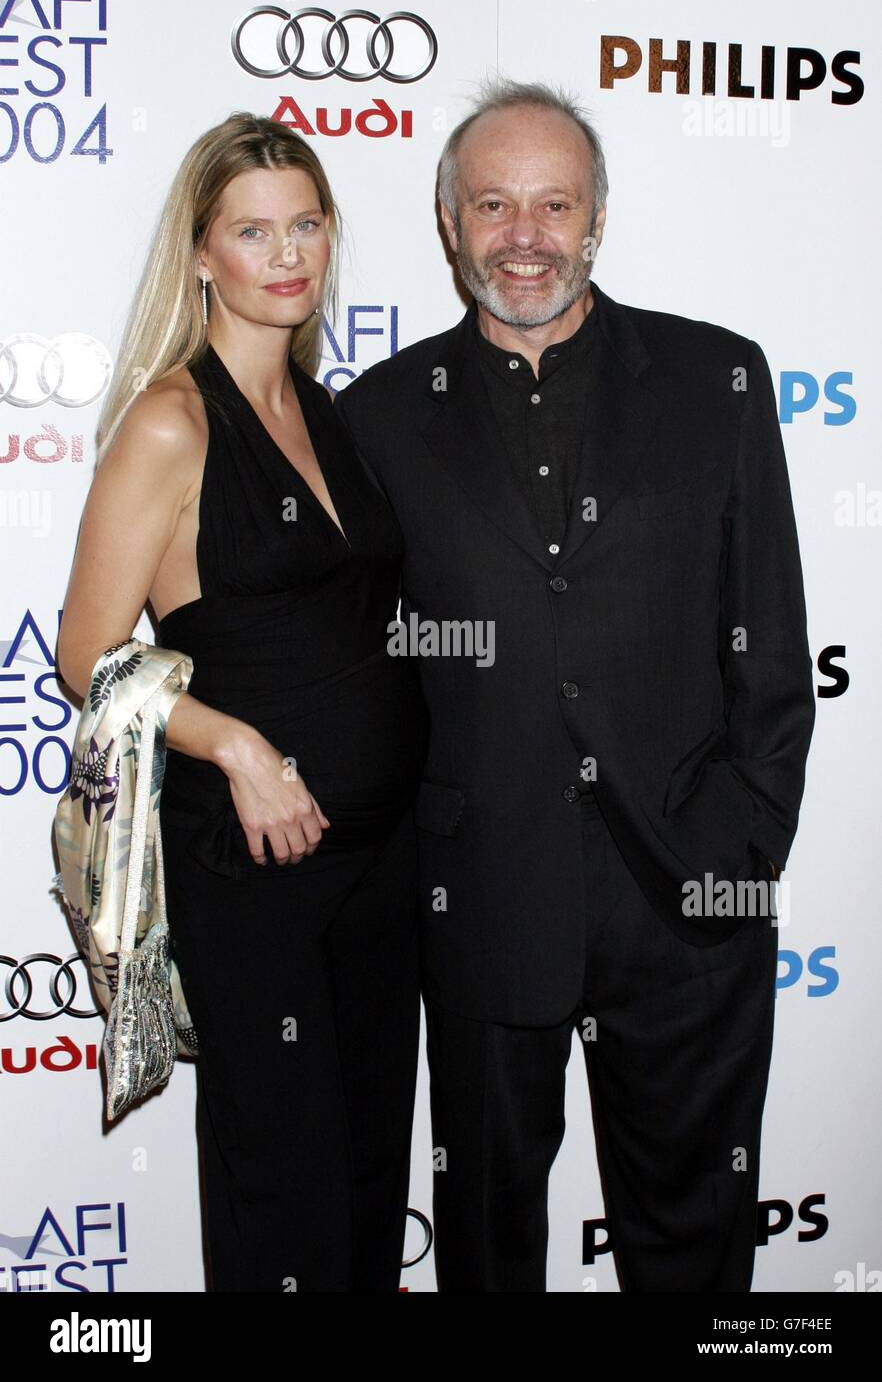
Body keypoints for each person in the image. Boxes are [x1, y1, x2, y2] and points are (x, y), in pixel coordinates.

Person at [332, 78, 816, 1292]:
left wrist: (744, 847)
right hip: (485, 898)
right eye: (493, 203)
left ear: (598, 217)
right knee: (488, 1249)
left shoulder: (721, 383)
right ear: (448, 223)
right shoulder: (377, 416)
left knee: (695, 1246)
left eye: (555, 203)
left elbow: (769, 641)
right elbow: (357, 675)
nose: (525, 234)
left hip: (690, 896)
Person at [56, 112, 428, 1292]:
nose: (287, 253)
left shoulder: (327, 411)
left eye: (307, 224)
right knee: (285, 1195)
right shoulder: (172, 420)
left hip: (379, 864)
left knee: (370, 1180)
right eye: (253, 230)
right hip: (258, 868)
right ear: (203, 253)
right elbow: (84, 655)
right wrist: (238, 748)